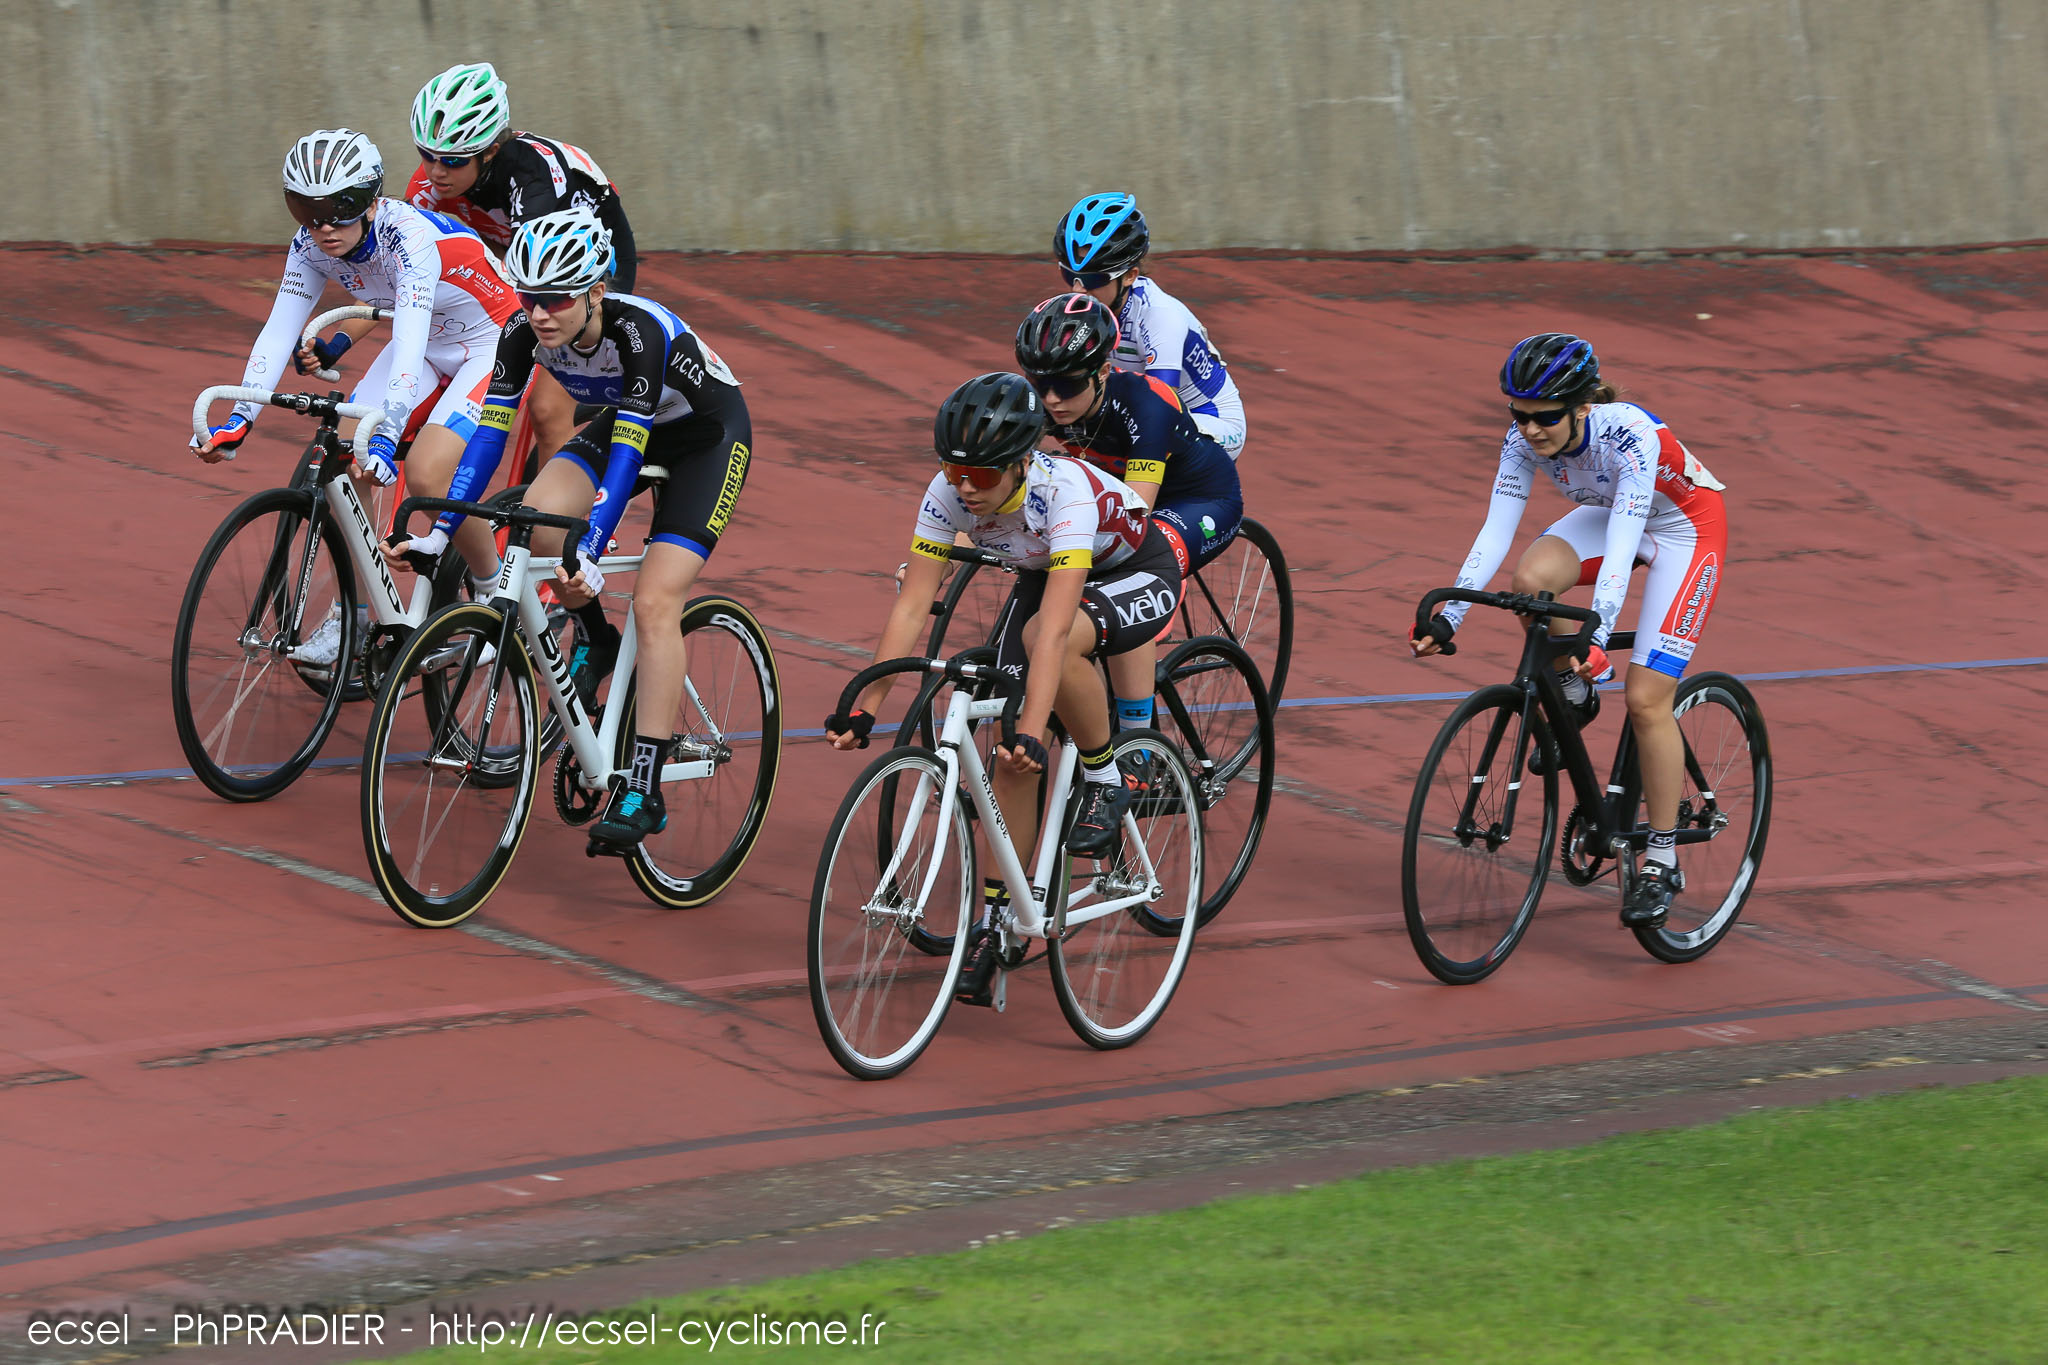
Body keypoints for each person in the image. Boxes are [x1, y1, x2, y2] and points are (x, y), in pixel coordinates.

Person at [383, 208, 752, 854]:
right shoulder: (523, 333)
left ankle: (643, 785)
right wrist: (439, 535)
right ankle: (598, 639)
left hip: (707, 437)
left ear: (596, 291)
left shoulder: (638, 335)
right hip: (627, 424)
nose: (540, 313)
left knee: (656, 599)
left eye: (556, 298)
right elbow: (486, 443)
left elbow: (629, 456)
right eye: (529, 297)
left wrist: (596, 547)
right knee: (540, 519)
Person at [825, 373, 1181, 1006]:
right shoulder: (949, 491)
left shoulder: (1063, 492)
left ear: (1021, 463)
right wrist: (864, 704)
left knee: (1049, 652)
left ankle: (1105, 775)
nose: (965, 487)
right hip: (1047, 576)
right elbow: (913, 604)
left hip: (1132, 568)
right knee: (1007, 764)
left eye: (982, 477)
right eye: (953, 470)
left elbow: (1050, 635)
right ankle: (994, 928)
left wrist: (1033, 726)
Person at [1411, 333, 1729, 929]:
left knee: (1646, 699)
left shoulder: (1628, 436)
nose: (1529, 431)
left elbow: (1622, 549)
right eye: (1518, 415)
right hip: (1611, 515)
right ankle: (1575, 695)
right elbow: (1495, 533)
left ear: (1582, 405)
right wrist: (1449, 615)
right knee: (1532, 578)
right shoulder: (1522, 439)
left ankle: (1660, 860)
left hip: (1685, 529)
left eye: (1544, 418)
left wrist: (1597, 633)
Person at [194, 127, 518, 664]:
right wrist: (241, 416)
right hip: (432, 338)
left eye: (339, 209)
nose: (322, 228)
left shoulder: (406, 237)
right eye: (305, 210)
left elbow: (408, 339)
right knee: (345, 458)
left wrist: (389, 426)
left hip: (492, 341)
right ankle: (362, 612)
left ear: (369, 200)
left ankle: (492, 600)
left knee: (430, 472)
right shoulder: (309, 247)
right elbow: (278, 332)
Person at [1013, 292, 1243, 741]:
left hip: (1196, 502)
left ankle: (1136, 745)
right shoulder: (1046, 401)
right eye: (1040, 385)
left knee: (1123, 575)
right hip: (1116, 493)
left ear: (1102, 372)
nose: (1053, 400)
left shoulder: (1146, 404)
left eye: (1068, 385)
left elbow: (1133, 519)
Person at [404, 61, 640, 462]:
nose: (436, 172)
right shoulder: (434, 179)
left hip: (581, 267)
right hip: (510, 244)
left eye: (454, 161)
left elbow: (535, 282)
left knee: (547, 411)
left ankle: (559, 517)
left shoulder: (535, 182)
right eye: (426, 155)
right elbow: (409, 258)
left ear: (491, 150)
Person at [1053, 191, 1247, 459]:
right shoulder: (1084, 304)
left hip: (1211, 420)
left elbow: (1161, 409)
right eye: (1069, 275)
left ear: (1131, 275)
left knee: (1138, 435)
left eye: (1094, 279)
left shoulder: (1160, 316)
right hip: (1146, 406)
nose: (1078, 291)